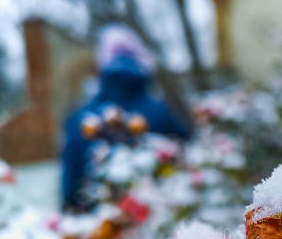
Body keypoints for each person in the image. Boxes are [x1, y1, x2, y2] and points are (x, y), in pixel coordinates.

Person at [60, 26, 190, 210]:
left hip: (102, 224)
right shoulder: (160, 110)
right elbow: (185, 155)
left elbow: (71, 182)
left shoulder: (81, 118)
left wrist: (71, 210)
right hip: (159, 216)